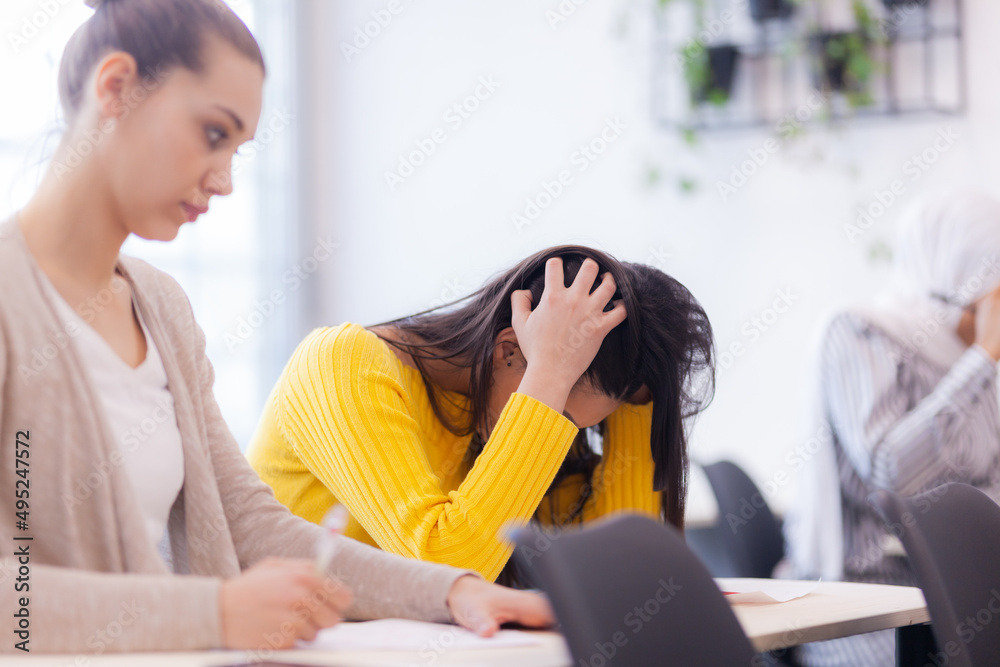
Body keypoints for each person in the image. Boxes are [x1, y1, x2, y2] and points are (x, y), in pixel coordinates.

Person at [0, 0, 553, 654]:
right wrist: (214, 612)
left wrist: (452, 591)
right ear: (115, 87)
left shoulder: (161, 306)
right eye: (213, 133)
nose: (227, 180)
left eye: (238, 149)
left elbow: (251, 524)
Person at [247, 246, 716, 585]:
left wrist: (643, 386)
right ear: (510, 351)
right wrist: (550, 378)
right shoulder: (340, 363)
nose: (556, 432)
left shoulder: (491, 418)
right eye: (564, 417)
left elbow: (616, 577)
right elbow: (445, 570)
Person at [782, 189, 1000, 666]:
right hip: (865, 603)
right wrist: (983, 358)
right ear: (956, 277)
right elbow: (891, 476)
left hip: (959, 595)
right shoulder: (858, 332)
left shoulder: (969, 364)